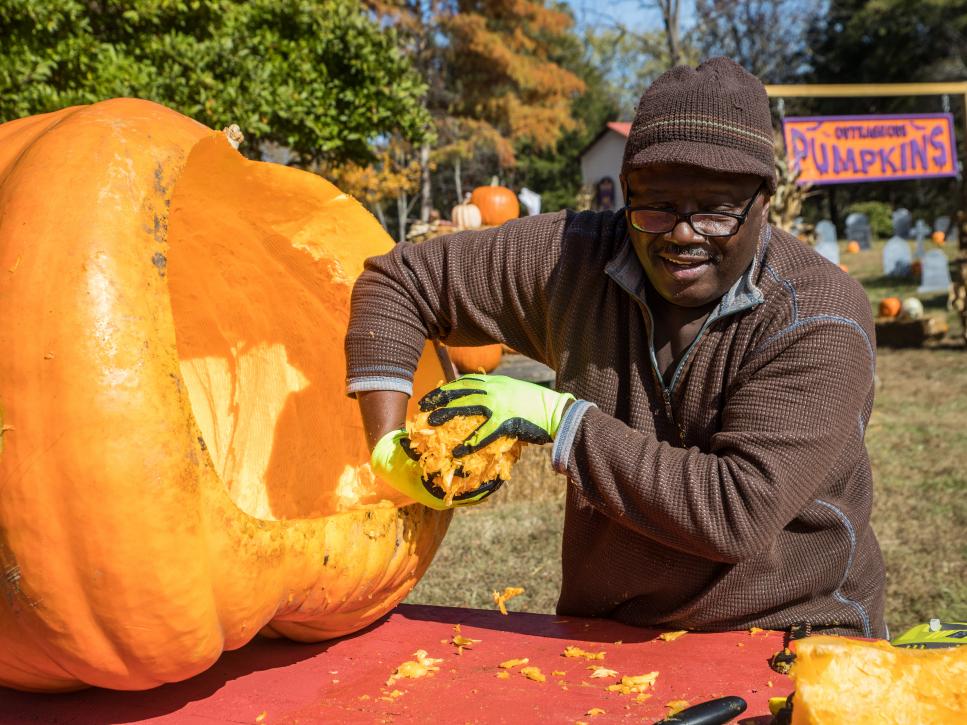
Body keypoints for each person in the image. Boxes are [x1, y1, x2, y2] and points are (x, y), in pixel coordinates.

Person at [344, 57, 887, 638]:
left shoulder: (820, 315)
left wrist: (562, 421)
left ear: (763, 202)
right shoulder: (571, 259)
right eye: (655, 206)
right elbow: (398, 281)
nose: (683, 234)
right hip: (612, 631)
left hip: (791, 631)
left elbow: (737, 512)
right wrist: (388, 447)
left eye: (716, 210)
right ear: (625, 192)